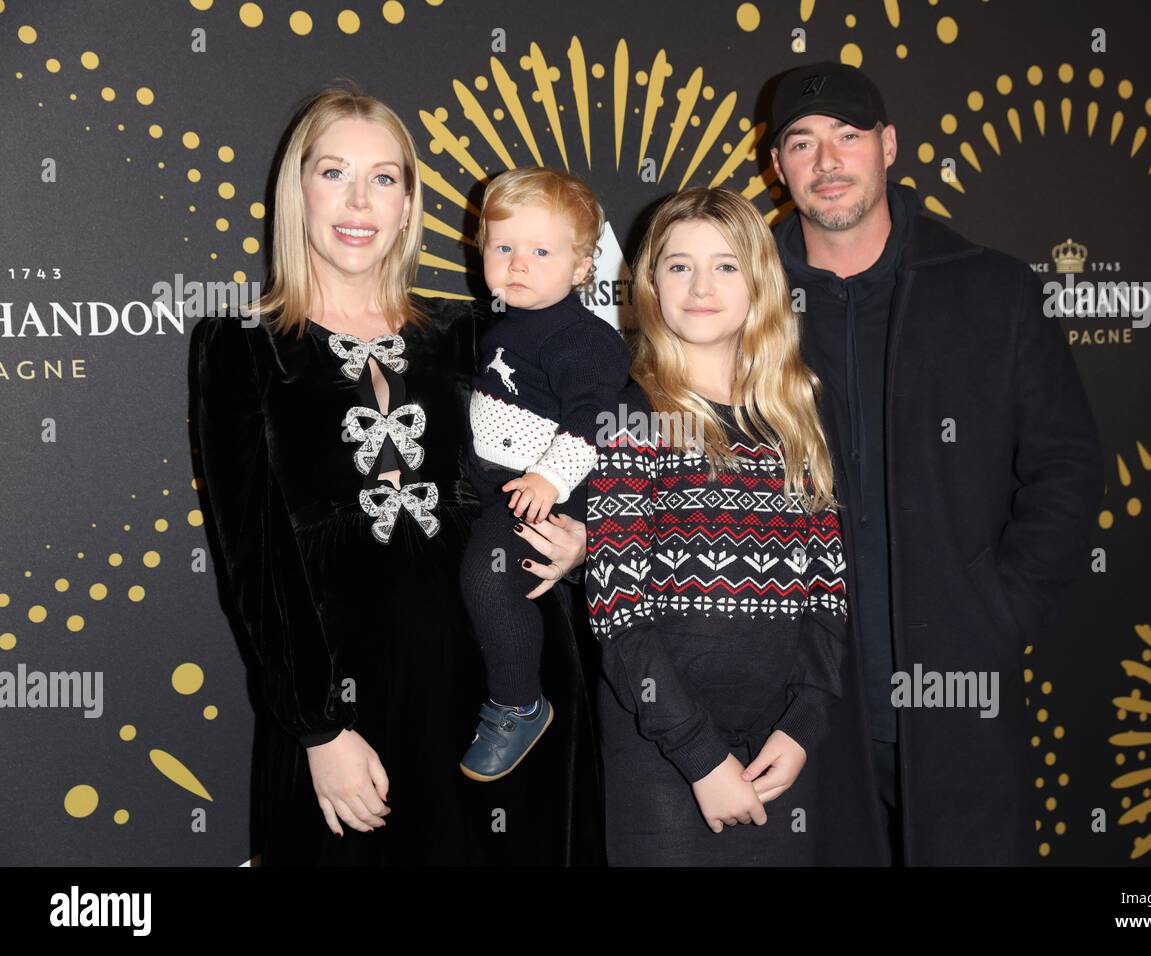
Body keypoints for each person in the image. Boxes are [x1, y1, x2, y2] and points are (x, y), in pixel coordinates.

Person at [193, 86, 593, 865]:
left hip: (490, 685)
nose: (358, 200)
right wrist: (317, 727)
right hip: (344, 699)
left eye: (384, 179)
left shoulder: (472, 333)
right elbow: (254, 558)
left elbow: (567, 442)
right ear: (296, 191)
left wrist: (580, 537)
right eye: (334, 172)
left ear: (409, 204)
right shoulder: (241, 348)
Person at [766, 61, 1104, 864]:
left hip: (957, 694)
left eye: (848, 136)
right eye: (803, 142)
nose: (828, 161)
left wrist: (997, 610)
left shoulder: (992, 290)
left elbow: (1066, 464)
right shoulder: (739, 297)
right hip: (796, 702)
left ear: (888, 146)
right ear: (777, 165)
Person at [585, 186, 849, 865]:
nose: (701, 286)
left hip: (780, 753)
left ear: (759, 281)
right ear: (650, 283)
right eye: (679, 266)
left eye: (725, 265)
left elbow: (829, 600)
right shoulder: (634, 416)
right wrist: (701, 759)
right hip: (663, 760)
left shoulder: (795, 423)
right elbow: (618, 614)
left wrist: (802, 728)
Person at [457, 167, 629, 781]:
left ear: (583, 266)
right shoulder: (504, 327)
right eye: (503, 248)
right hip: (498, 488)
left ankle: (517, 704)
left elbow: (597, 420)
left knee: (486, 578)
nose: (518, 264)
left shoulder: (583, 339)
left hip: (548, 496)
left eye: (540, 251)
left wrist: (550, 482)